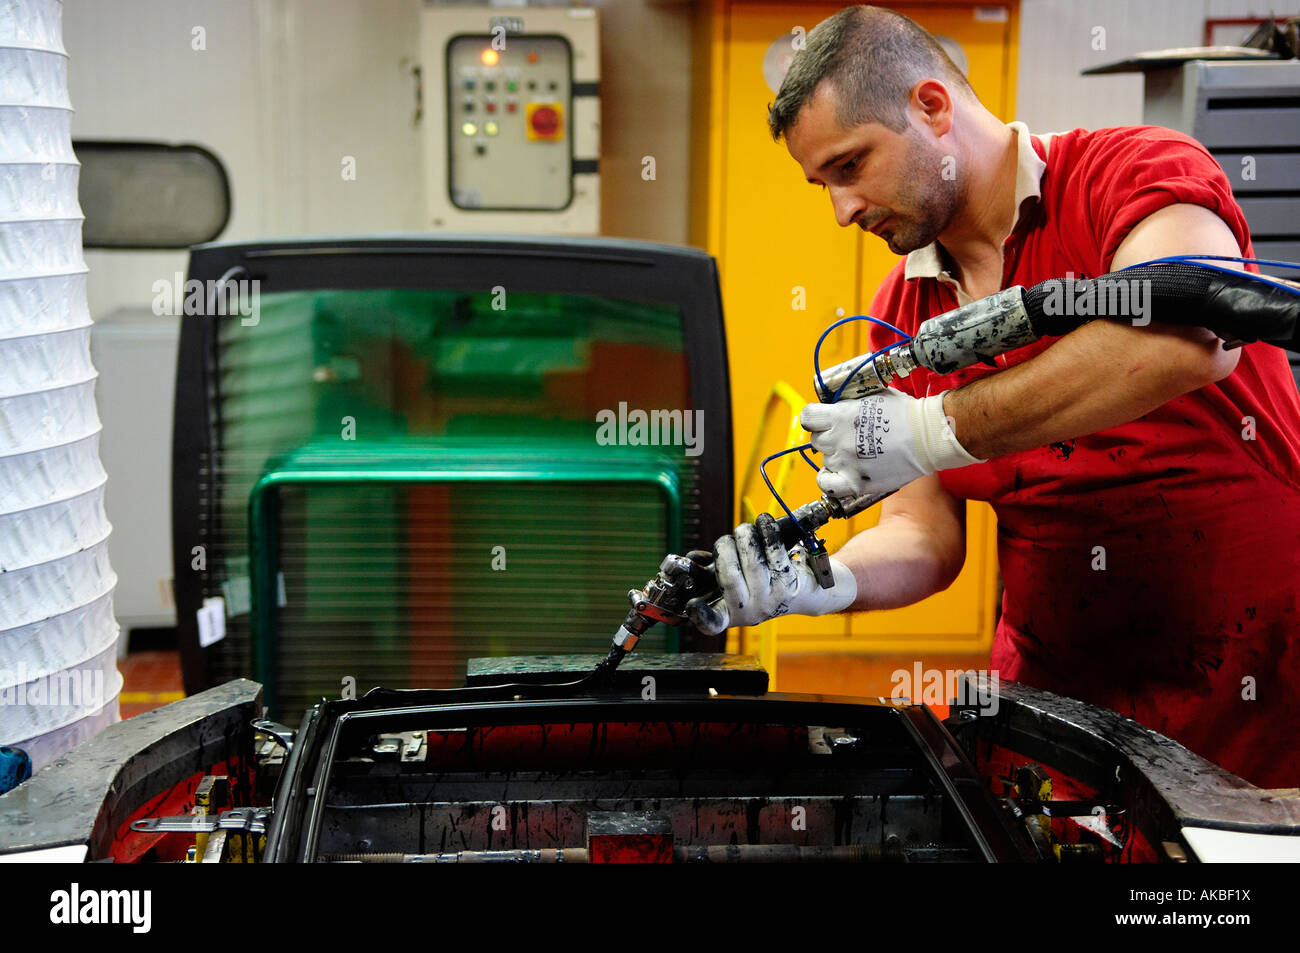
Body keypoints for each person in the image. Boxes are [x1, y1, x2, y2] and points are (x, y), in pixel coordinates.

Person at [687, 5, 1300, 789]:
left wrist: (932, 428)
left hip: (1257, 698)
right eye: (823, 185)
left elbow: (1186, 336)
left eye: (850, 166)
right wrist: (822, 581)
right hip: (1061, 717)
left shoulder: (1131, 174)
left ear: (931, 107)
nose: (842, 210)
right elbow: (923, 535)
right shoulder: (903, 313)